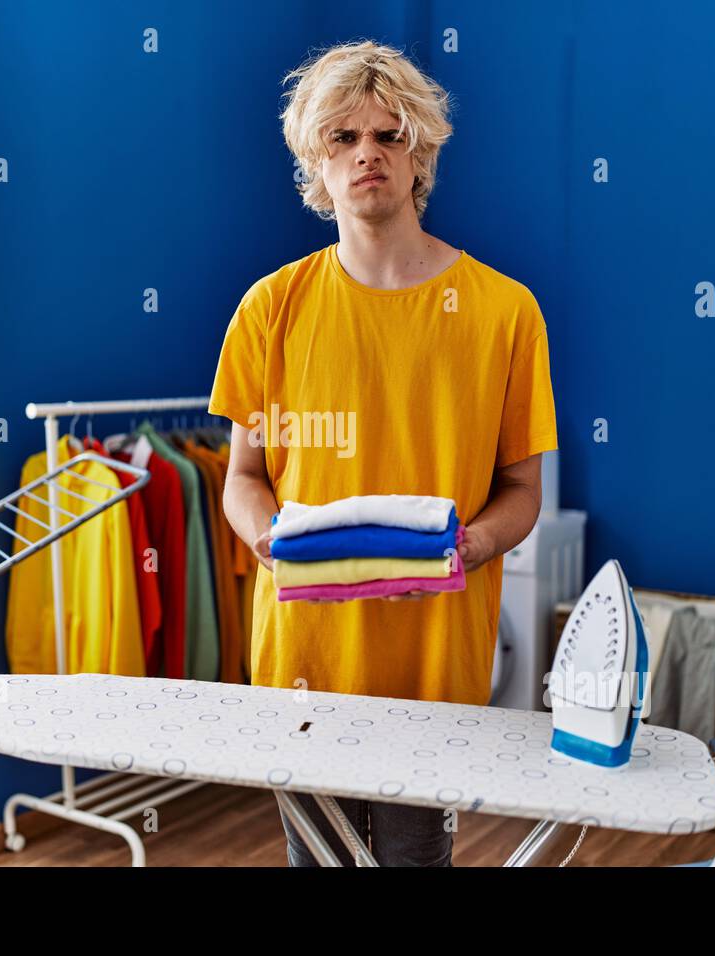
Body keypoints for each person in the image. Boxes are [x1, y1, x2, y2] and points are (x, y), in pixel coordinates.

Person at [209, 40, 559, 867]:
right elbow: (245, 481)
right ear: (316, 163)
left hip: (435, 660)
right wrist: (274, 539)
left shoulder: (505, 312)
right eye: (343, 137)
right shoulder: (270, 309)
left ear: (420, 155)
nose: (368, 152)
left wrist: (468, 545)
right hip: (306, 660)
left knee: (415, 863)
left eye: (390, 134)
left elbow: (520, 488)